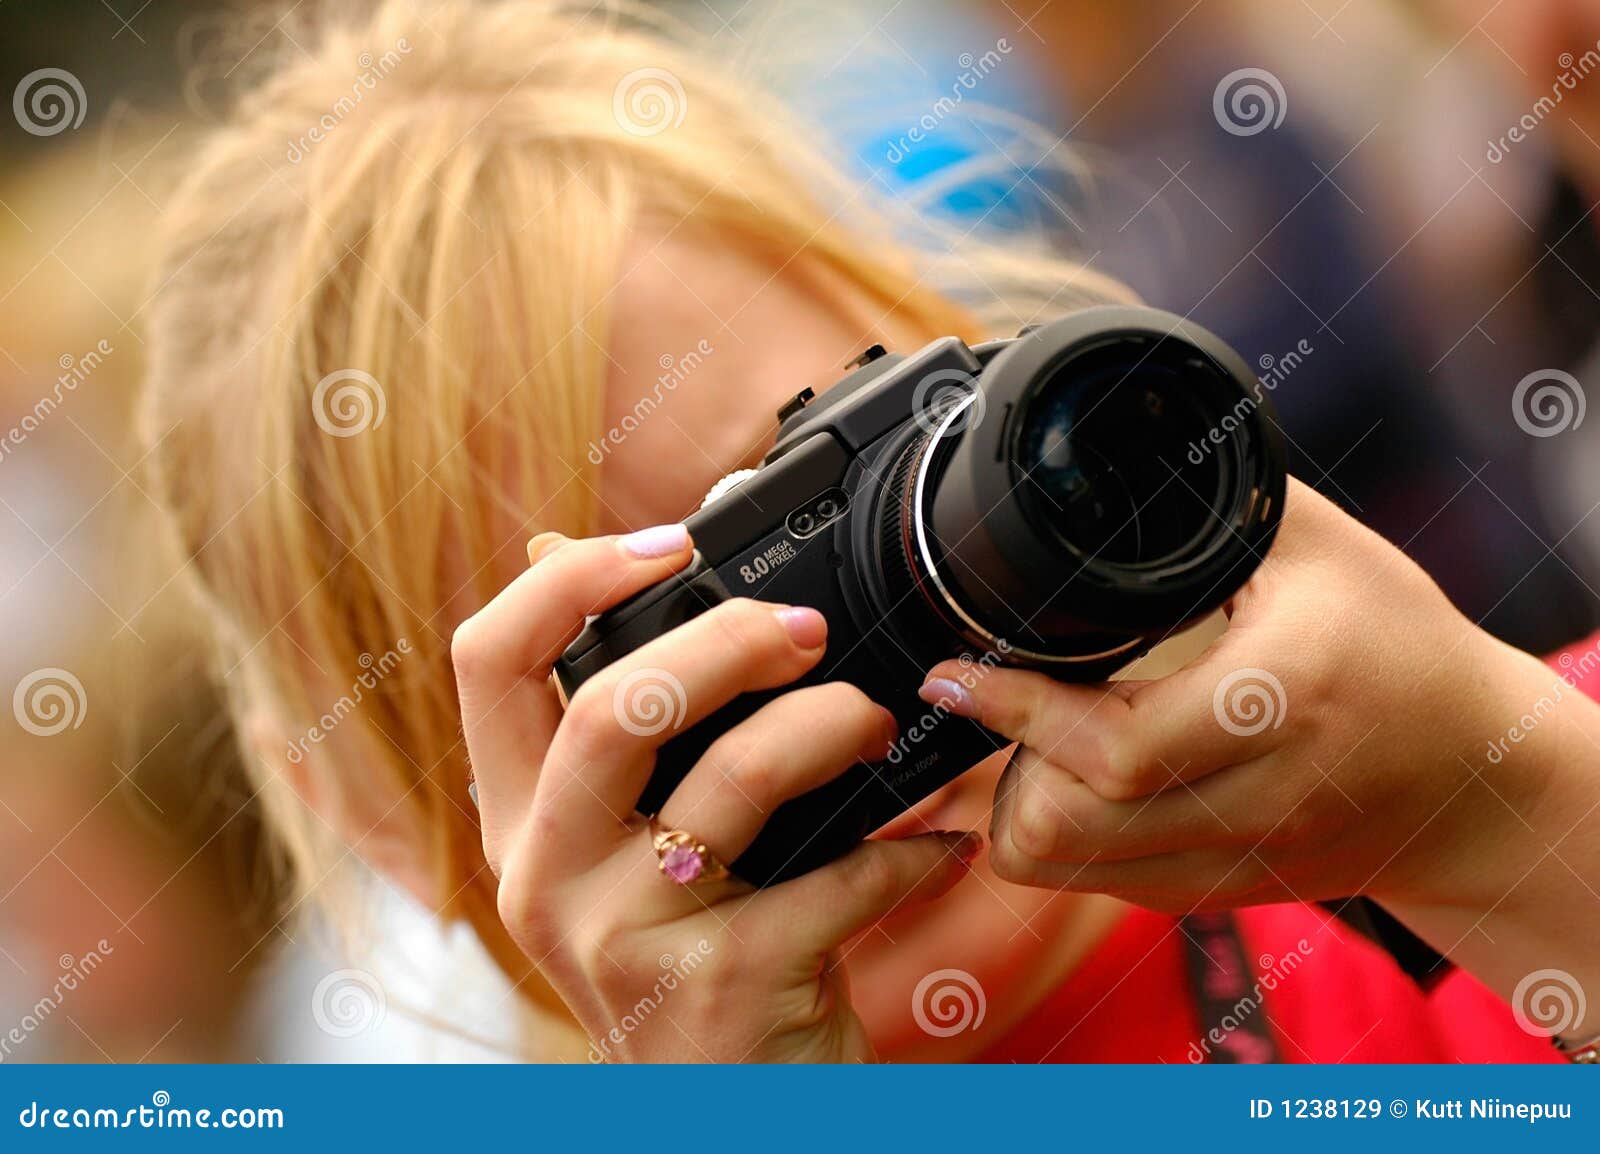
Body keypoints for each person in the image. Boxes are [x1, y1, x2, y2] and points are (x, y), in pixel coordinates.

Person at [142, 0, 1599, 1062]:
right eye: (642, 672)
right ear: (384, 828)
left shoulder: (1533, 753)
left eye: (808, 507)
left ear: (954, 367)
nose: (821, 706)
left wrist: (1507, 815)